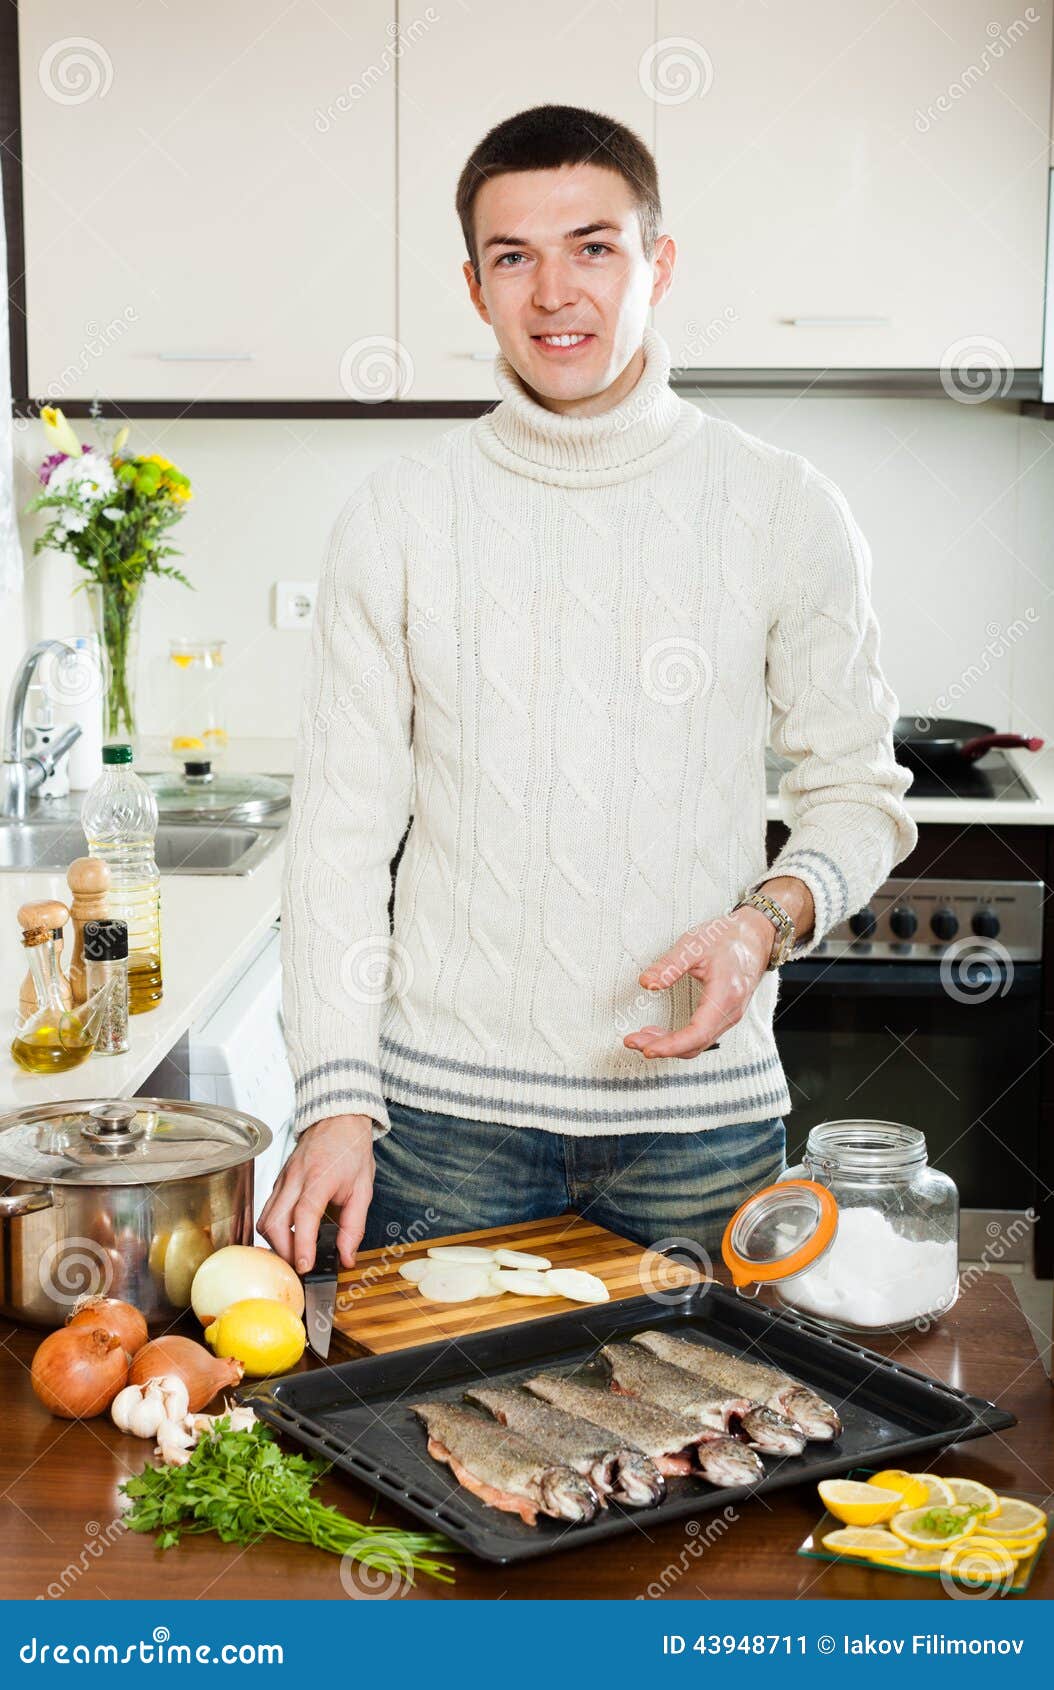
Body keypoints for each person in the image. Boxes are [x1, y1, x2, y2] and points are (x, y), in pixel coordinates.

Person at [260, 104, 917, 1274]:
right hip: (441, 1127)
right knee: (429, 1448)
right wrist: (335, 1095)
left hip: (701, 1124)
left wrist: (762, 924)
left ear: (657, 265)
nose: (554, 292)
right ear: (474, 288)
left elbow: (858, 795)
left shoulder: (781, 507)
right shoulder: (400, 517)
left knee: (709, 1455)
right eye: (514, 256)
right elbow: (340, 838)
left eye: (593, 247)